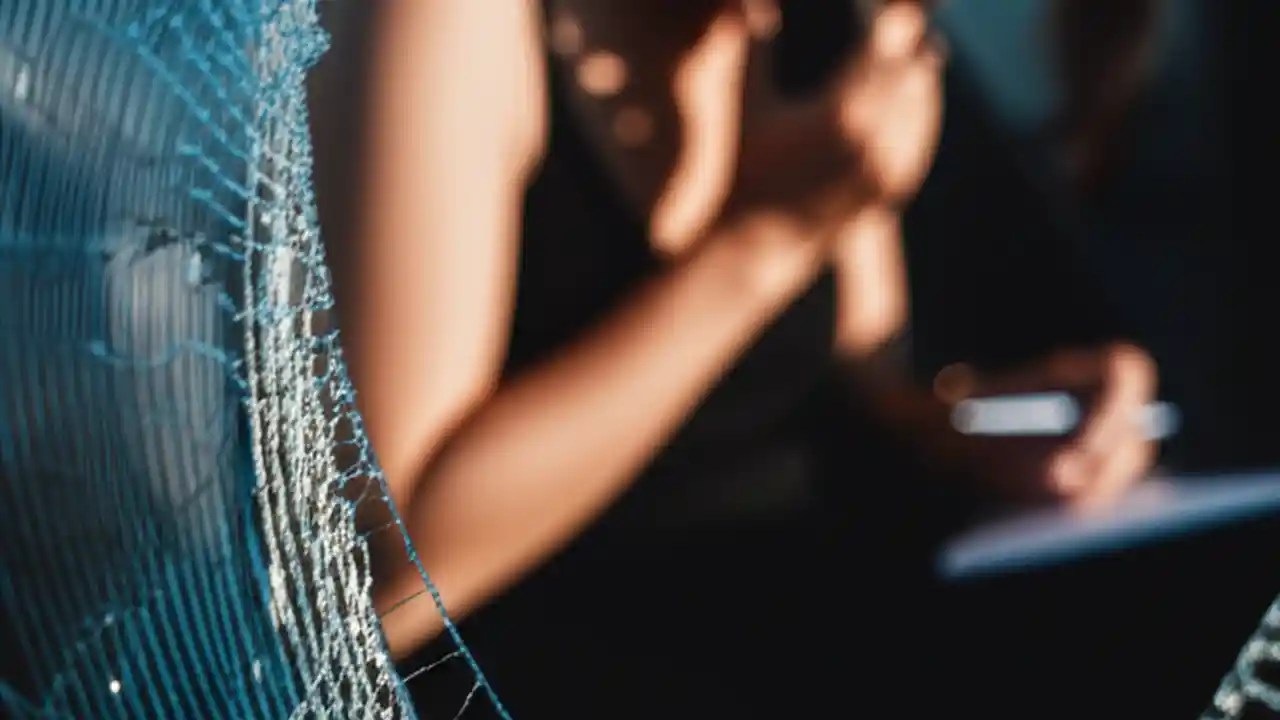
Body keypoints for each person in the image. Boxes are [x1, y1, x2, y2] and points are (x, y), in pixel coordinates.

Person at [313, 1, 1157, 716]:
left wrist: (984, 430)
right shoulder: (452, 24)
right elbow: (381, 575)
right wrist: (765, 243)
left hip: (833, 637)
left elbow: (867, 387)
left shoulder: (819, 26)